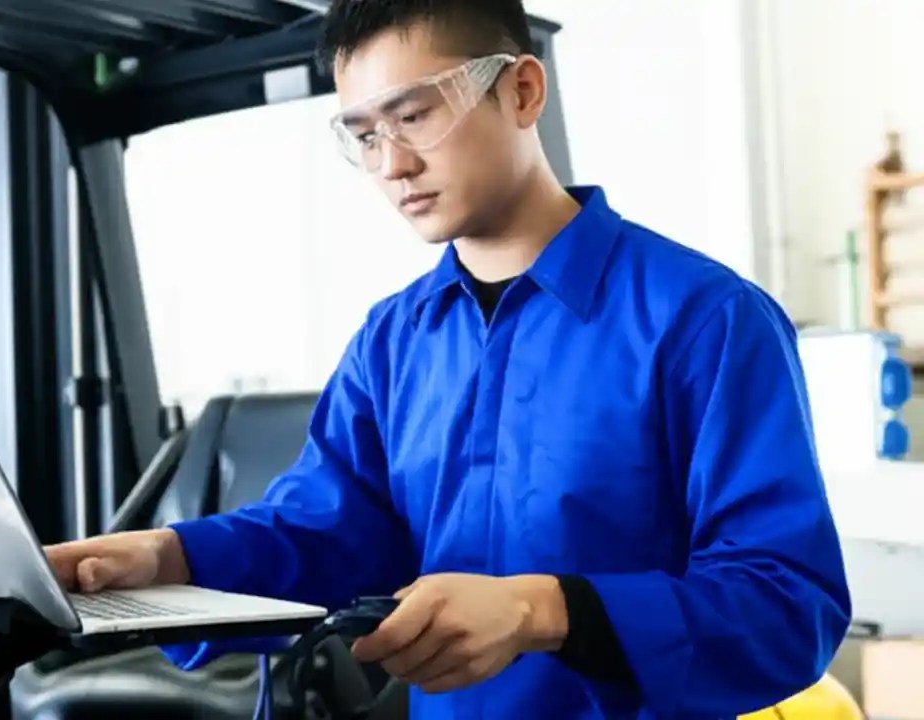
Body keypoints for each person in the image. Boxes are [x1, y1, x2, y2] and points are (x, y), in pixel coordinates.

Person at [44, 0, 852, 717]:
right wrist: (168, 559)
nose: (391, 165)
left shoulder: (703, 321)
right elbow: (329, 535)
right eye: (364, 134)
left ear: (524, 91)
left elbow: (785, 607)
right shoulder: (394, 340)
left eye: (415, 116)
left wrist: (545, 610)